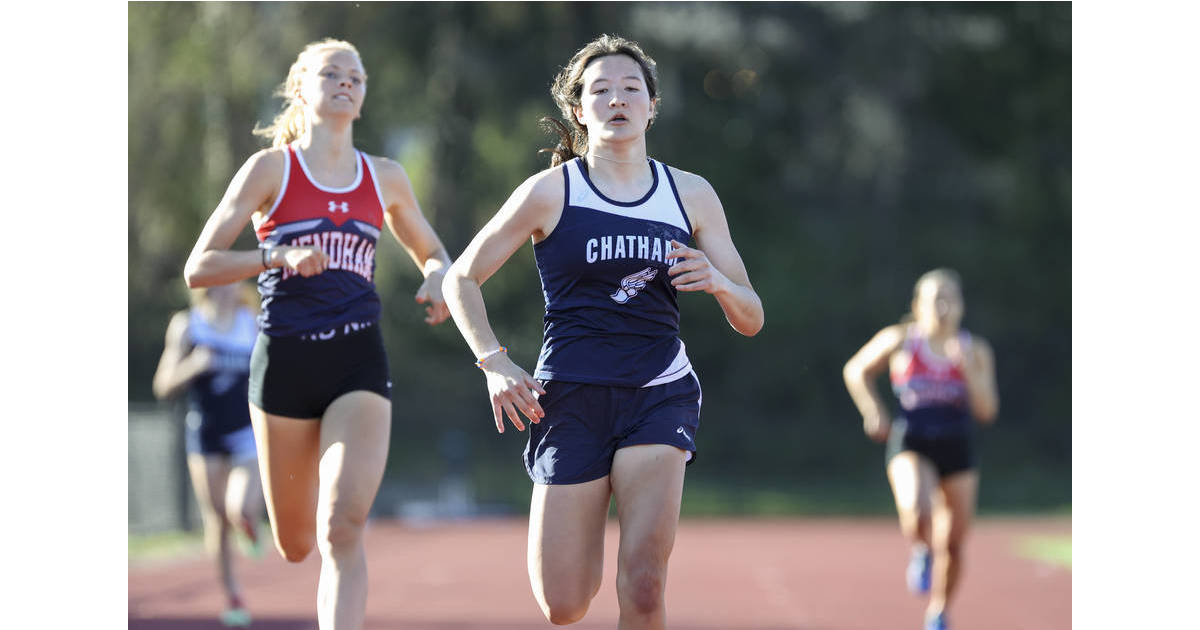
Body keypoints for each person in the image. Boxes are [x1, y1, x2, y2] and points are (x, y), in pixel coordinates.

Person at [442, 34, 763, 629]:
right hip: (570, 397)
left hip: (658, 393)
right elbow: (460, 277)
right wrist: (493, 360)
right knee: (564, 602)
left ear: (652, 106)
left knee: (643, 583)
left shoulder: (690, 193)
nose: (617, 99)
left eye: (631, 88)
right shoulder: (550, 191)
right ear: (578, 109)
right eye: (601, 90)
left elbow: (751, 315)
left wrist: (717, 281)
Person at [181, 38, 452, 630]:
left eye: (356, 75)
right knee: (297, 543)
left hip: (357, 359)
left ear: (363, 97)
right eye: (332, 72)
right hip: (283, 364)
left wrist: (437, 279)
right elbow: (199, 267)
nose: (346, 81)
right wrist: (275, 255)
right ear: (301, 89)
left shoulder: (385, 177)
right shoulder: (271, 170)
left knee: (341, 526)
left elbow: (434, 253)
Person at [842, 268, 999, 630]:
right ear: (917, 306)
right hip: (912, 439)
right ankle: (921, 548)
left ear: (961, 306)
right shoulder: (900, 340)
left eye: (950, 299)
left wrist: (969, 371)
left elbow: (987, 411)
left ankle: (939, 611)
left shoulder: (975, 349)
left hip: (956, 445)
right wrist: (873, 409)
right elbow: (855, 370)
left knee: (954, 544)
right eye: (935, 299)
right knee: (916, 508)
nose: (943, 307)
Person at [152, 282, 264, 628]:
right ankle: (233, 596)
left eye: (233, 278)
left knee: (238, 507)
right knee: (217, 520)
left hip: (246, 430)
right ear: (206, 285)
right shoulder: (187, 325)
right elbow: (163, 384)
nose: (229, 285)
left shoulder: (252, 322)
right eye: (219, 279)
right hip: (205, 433)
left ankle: (249, 522)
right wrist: (194, 365)